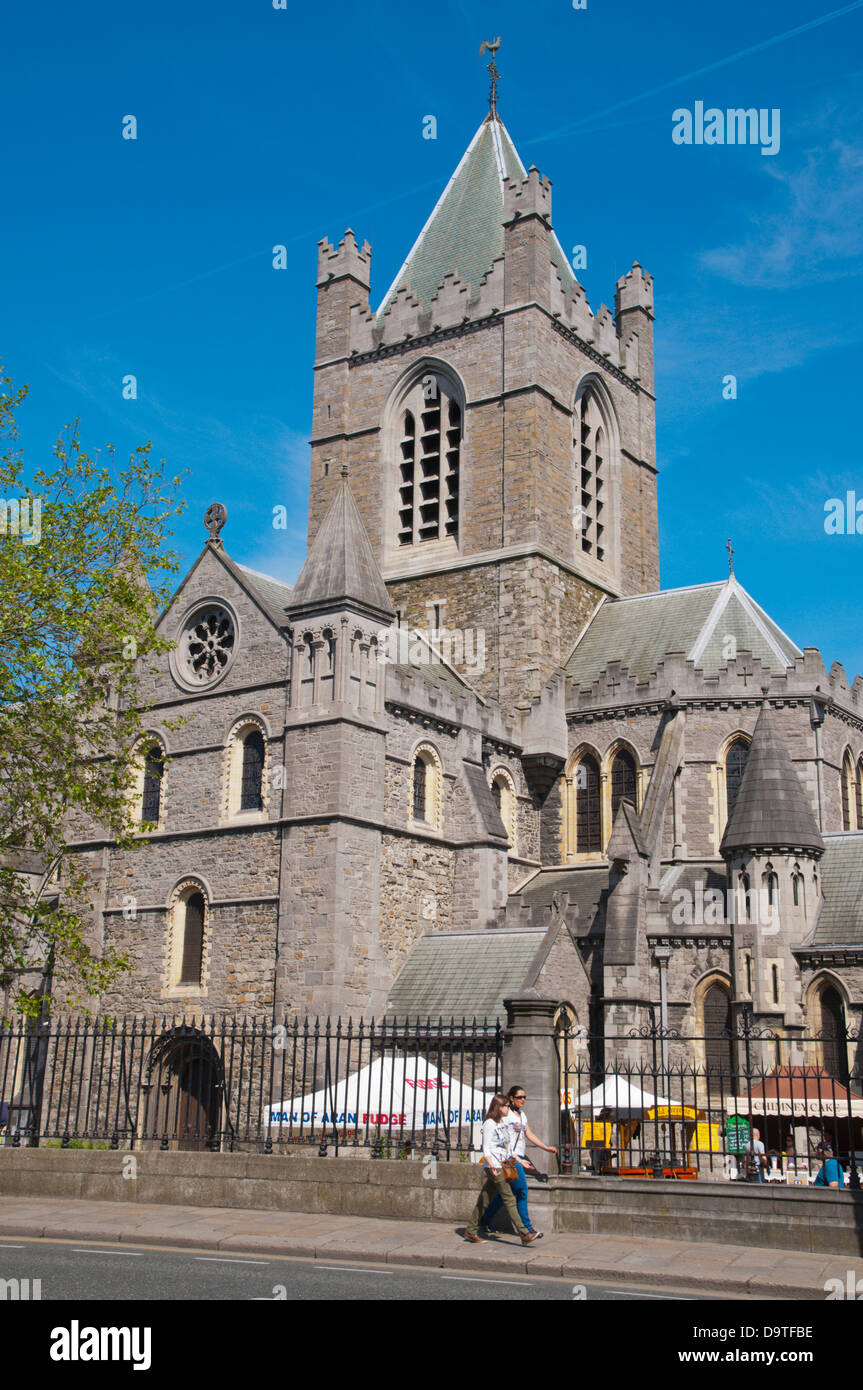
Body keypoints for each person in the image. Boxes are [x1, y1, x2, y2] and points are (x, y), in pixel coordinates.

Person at [481, 1084, 557, 1235]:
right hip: (509, 1158)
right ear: (511, 1098)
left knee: (507, 1193)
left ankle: (484, 1220)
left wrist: (545, 1147)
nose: (523, 1100)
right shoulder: (506, 1115)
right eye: (519, 1097)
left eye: (524, 1097)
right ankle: (527, 1228)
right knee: (522, 1190)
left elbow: (529, 1133)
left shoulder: (522, 1115)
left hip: (518, 1156)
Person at [464, 1095, 539, 1245]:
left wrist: (520, 1160)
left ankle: (471, 1231)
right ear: (498, 1107)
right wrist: (491, 1166)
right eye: (505, 1106)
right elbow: (486, 1148)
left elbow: (508, 1148)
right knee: (509, 1198)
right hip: (495, 1166)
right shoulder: (489, 1123)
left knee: (484, 1199)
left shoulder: (503, 1123)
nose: (507, 1108)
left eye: (507, 1106)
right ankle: (524, 1233)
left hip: (504, 1164)